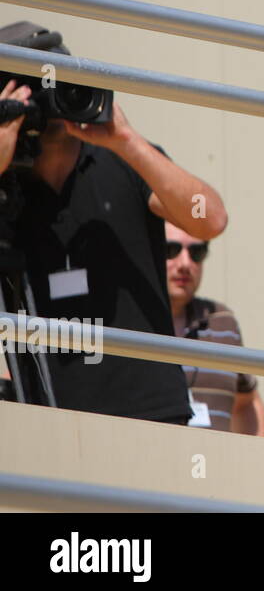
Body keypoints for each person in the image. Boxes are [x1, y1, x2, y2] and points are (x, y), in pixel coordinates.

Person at [0, 31, 228, 424]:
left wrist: (127, 142)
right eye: (33, 89)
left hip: (151, 414)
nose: (48, 101)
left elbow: (210, 219)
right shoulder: (6, 182)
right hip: (44, 419)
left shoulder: (122, 160)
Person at [166, 220, 264, 436]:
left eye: (197, 251)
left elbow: (247, 401)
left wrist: (257, 463)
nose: (185, 263)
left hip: (218, 466)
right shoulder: (131, 322)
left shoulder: (221, 320)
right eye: (171, 250)